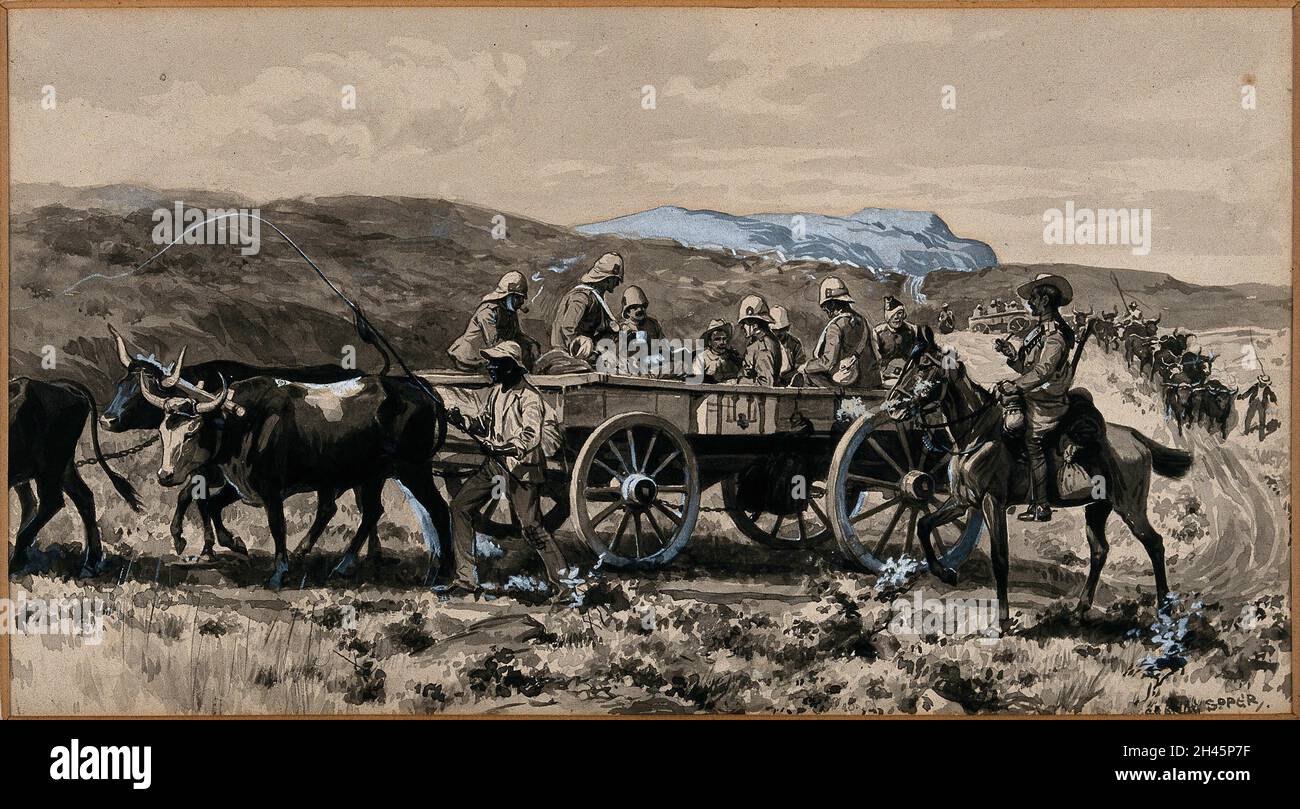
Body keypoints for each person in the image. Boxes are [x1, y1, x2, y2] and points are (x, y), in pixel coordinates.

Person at [445, 342, 569, 599]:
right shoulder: (496, 393)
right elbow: (484, 422)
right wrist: (463, 421)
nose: (490, 367)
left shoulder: (531, 398)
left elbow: (530, 436)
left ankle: (567, 584)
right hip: (495, 467)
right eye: (490, 362)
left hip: (522, 470)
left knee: (532, 527)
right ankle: (466, 579)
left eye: (496, 363)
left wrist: (503, 449)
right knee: (459, 507)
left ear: (512, 367)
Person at [994, 273, 1076, 523]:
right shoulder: (1038, 332)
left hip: (1047, 400)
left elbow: (1043, 372)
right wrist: (1012, 356)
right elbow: (1028, 369)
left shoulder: (1054, 336)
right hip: (1034, 393)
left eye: (1033, 298)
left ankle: (1041, 506)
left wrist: (1015, 385)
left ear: (1045, 302)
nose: (1029, 303)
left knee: (1033, 443)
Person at [447, 271, 541, 372]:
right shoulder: (487, 311)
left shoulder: (510, 312)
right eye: (518, 297)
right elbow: (493, 343)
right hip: (470, 361)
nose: (521, 302)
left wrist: (532, 344)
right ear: (506, 296)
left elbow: (516, 334)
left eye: (522, 298)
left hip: (488, 358)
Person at [798, 276, 879, 388]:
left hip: (849, 387)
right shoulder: (863, 321)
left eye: (824, 306)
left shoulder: (835, 327)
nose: (824, 310)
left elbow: (827, 362)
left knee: (809, 375)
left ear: (832, 304)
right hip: (871, 383)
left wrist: (806, 367)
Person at [551, 252, 624, 354]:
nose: (617, 284)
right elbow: (567, 328)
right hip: (569, 353)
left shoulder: (594, 297)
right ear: (608, 279)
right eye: (616, 280)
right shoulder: (581, 298)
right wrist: (582, 350)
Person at [737, 294, 783, 386]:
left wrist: (740, 382)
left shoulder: (762, 346)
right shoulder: (761, 341)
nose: (742, 327)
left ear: (753, 323)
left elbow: (766, 383)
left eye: (744, 323)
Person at [875, 295, 918, 380]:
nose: (896, 317)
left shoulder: (912, 330)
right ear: (888, 317)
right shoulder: (878, 332)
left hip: (908, 375)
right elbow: (875, 358)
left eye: (899, 313)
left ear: (903, 314)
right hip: (885, 376)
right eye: (892, 315)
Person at [769, 305, 805, 386]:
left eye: (781, 330)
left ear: (787, 328)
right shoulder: (765, 343)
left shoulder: (795, 343)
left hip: (789, 382)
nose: (777, 333)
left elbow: (800, 366)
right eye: (774, 330)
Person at [1238, 372, 1276, 441]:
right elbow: (1248, 392)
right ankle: (1246, 432)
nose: (1263, 384)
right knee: (1248, 417)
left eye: (1264, 383)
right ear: (1260, 381)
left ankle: (1261, 437)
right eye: (1262, 382)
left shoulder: (1267, 388)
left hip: (1262, 404)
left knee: (1262, 420)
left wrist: (1273, 398)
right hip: (1254, 402)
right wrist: (1242, 396)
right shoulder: (1255, 386)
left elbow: (1271, 394)